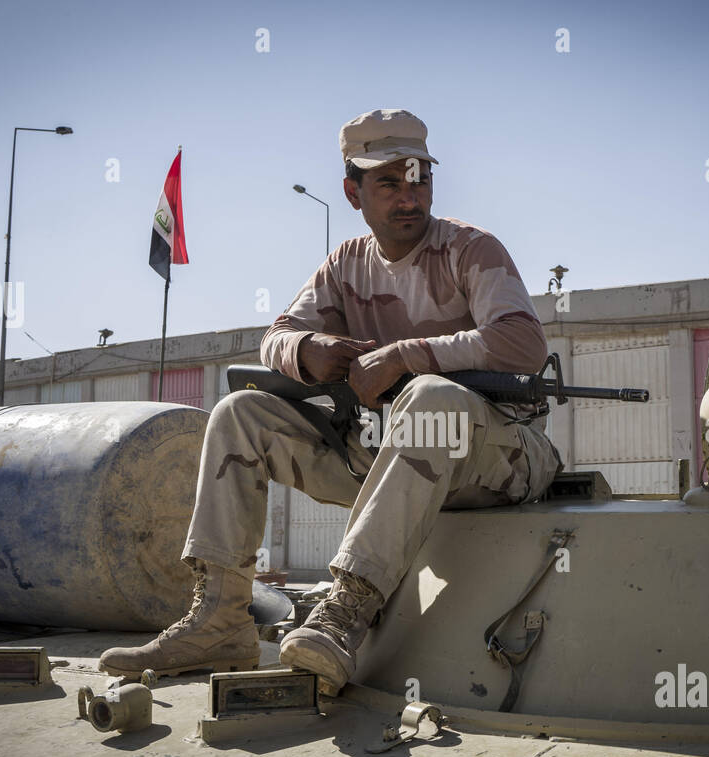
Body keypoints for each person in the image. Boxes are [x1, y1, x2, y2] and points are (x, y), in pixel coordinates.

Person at [99, 108, 562, 695]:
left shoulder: (470, 250)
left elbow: (521, 343)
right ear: (353, 192)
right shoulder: (347, 264)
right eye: (388, 182)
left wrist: (404, 356)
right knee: (239, 415)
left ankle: (348, 609)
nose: (408, 196)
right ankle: (220, 620)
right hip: (392, 456)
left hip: (503, 457)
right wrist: (308, 349)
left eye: (418, 179)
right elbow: (275, 337)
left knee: (430, 397)